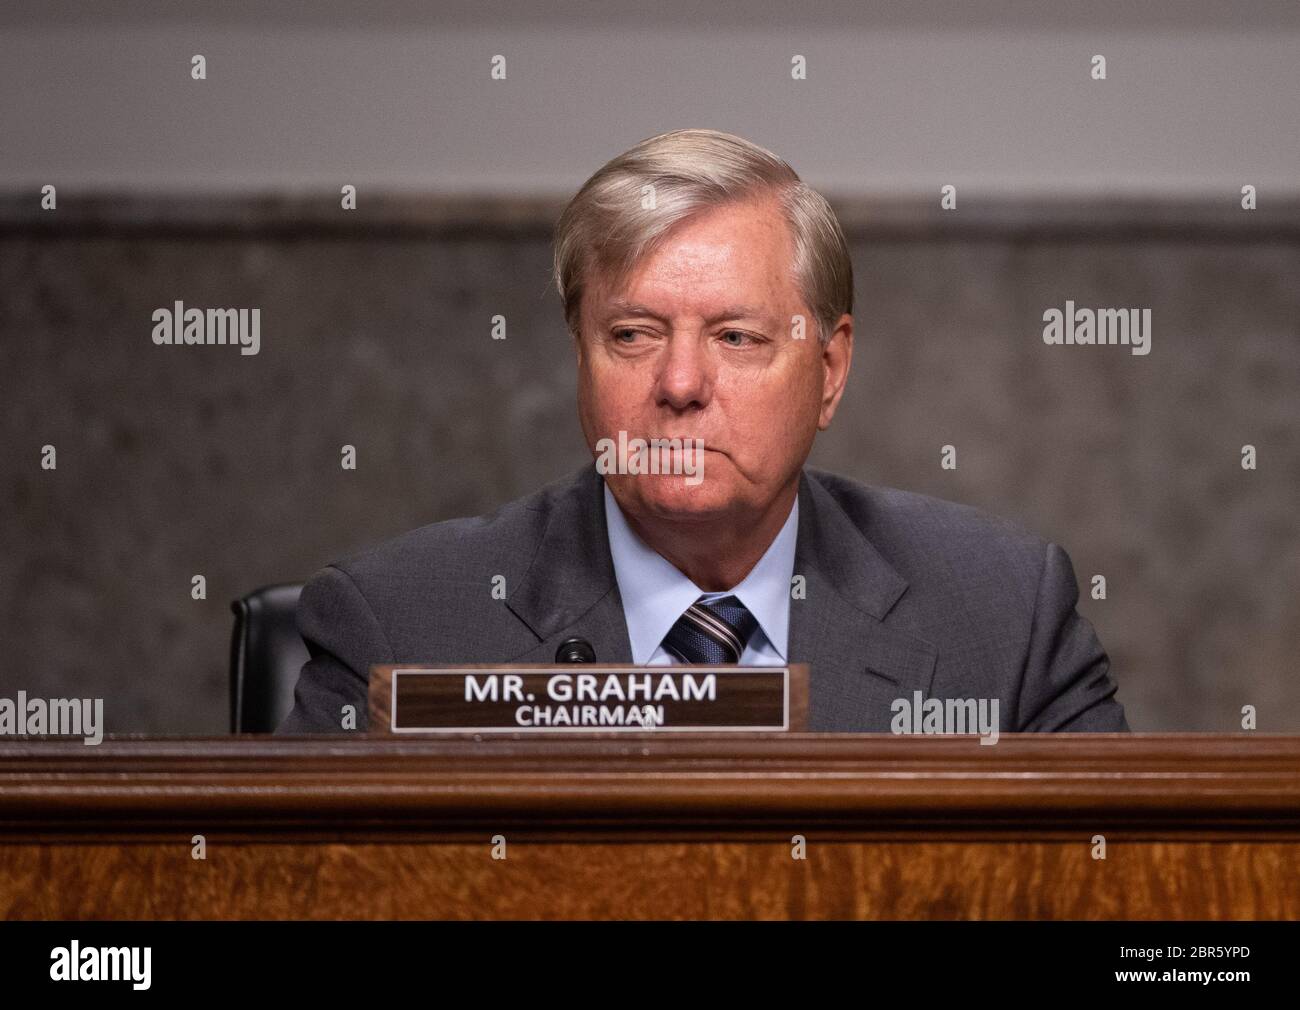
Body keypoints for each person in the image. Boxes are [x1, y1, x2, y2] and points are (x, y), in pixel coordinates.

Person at [277, 128, 1128, 735]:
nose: (680, 385)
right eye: (633, 336)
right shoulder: (402, 624)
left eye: (737, 338)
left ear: (829, 371)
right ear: (581, 355)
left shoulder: (1001, 614)